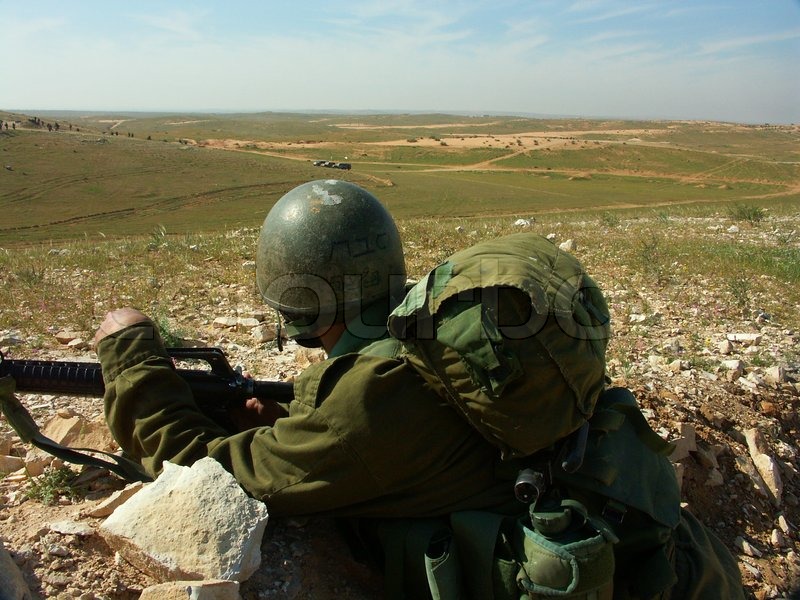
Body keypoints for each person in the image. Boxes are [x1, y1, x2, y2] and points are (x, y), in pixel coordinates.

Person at [93, 179, 744, 599]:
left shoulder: (368, 403)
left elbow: (204, 474)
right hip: (681, 563)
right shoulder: (443, 330)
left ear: (294, 301)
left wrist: (127, 346)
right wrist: (285, 412)